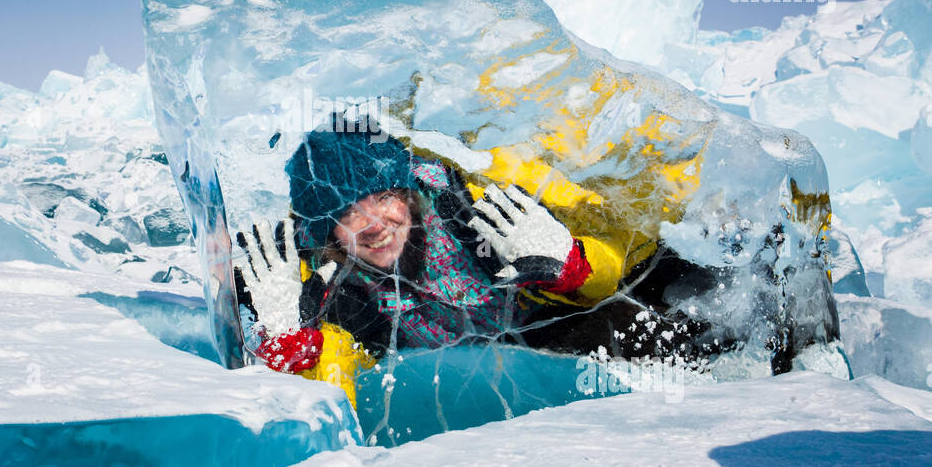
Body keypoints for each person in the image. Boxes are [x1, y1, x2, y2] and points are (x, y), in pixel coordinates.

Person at [233, 121, 723, 407]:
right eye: (347, 213)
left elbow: (614, 267)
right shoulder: (329, 288)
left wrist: (574, 264)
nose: (373, 223)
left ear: (405, 192)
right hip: (467, 388)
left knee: (650, 313)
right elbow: (342, 386)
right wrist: (293, 351)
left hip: (540, 334)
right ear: (327, 231)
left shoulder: (468, 206)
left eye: (382, 196)